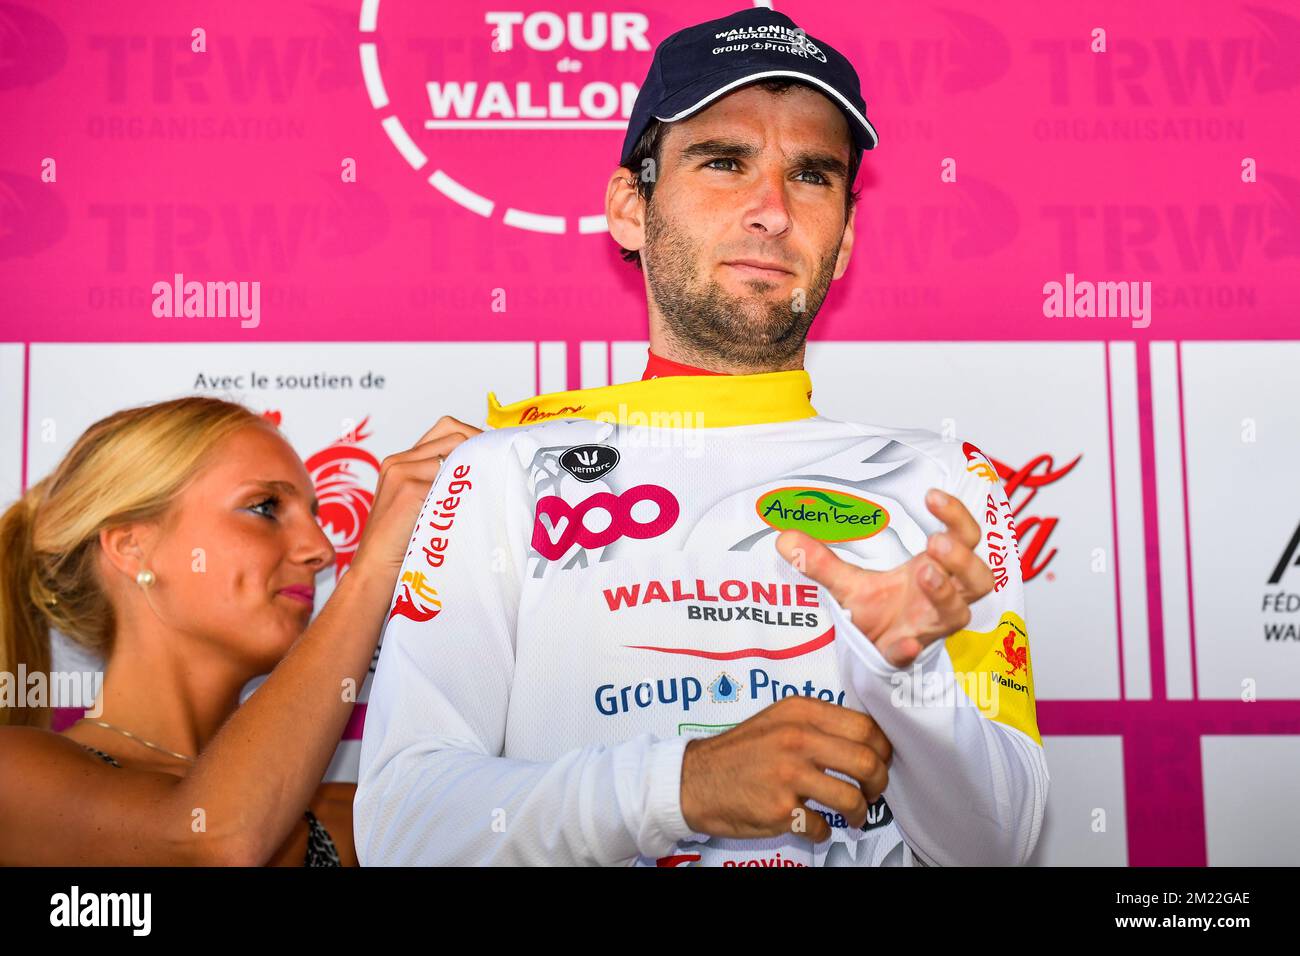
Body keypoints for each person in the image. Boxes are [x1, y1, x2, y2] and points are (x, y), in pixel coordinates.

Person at [354, 7, 1048, 867]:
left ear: (845, 240)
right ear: (629, 209)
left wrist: (905, 675)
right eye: (724, 161)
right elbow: (402, 830)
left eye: (813, 176)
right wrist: (679, 785)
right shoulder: (501, 474)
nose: (771, 211)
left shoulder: (939, 482)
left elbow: (997, 849)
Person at [0, 396, 475, 865]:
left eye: (315, 515)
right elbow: (212, 845)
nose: (321, 550)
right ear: (132, 547)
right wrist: (370, 575)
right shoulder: (14, 776)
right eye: (264, 508)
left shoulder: (355, 819)